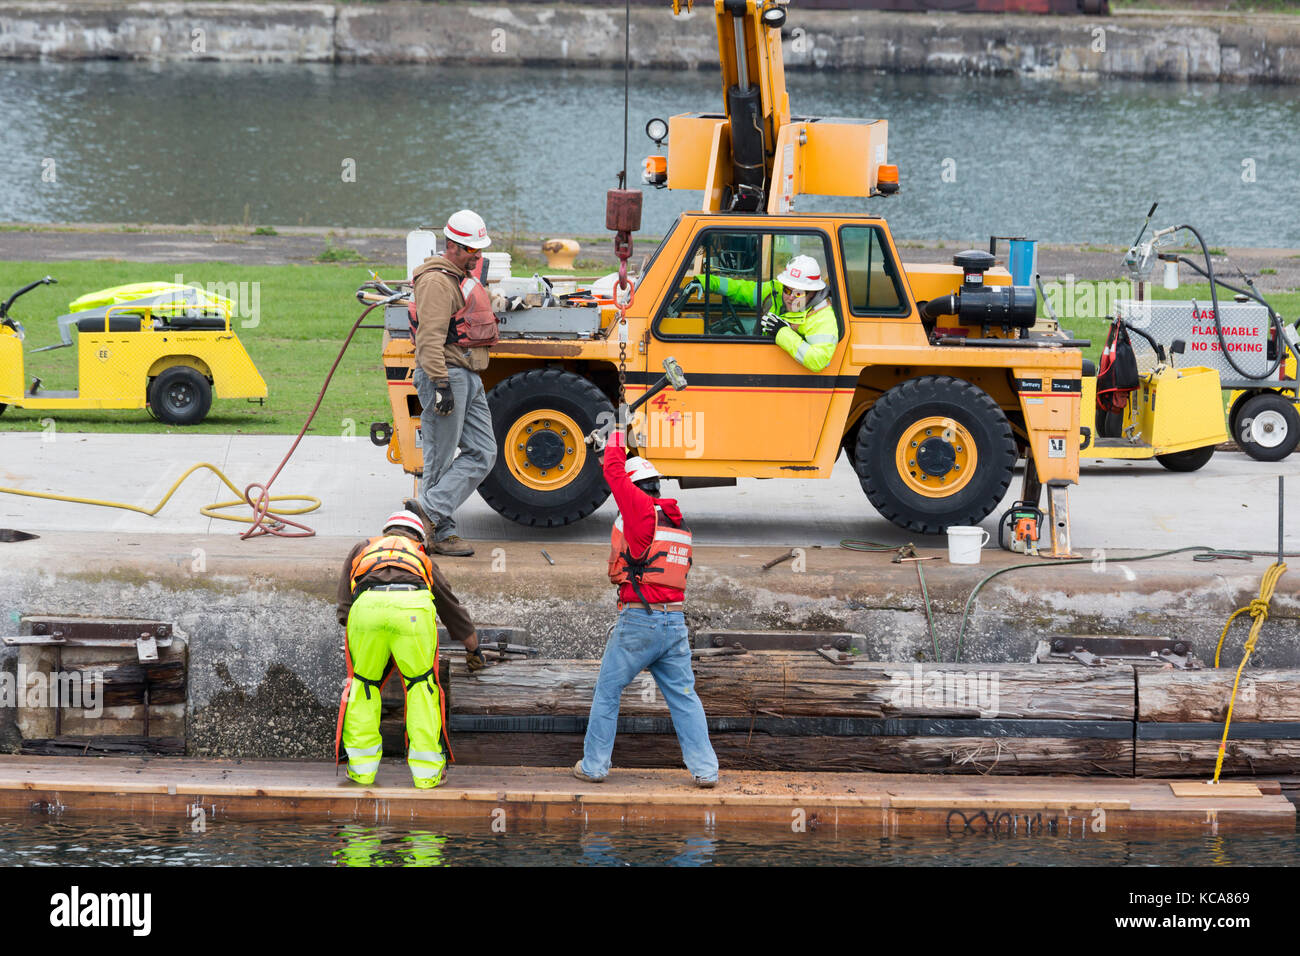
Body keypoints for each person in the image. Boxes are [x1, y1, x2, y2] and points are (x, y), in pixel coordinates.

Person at [573, 427, 719, 788]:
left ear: (638, 489)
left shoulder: (639, 511)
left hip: (640, 622)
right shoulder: (678, 523)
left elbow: (614, 472)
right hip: (675, 625)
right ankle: (706, 771)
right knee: (684, 697)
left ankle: (594, 766)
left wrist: (617, 432)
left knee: (608, 692)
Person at [335, 510, 487, 788]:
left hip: (366, 610)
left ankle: (361, 771)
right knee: (421, 687)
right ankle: (427, 774)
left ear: (387, 531)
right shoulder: (420, 556)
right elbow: (450, 608)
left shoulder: (364, 547)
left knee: (364, 686)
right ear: (418, 537)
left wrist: (367, 637)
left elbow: (345, 606)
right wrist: (473, 649)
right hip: (412, 610)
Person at [402, 209, 499, 557]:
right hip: (447, 376)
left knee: (484, 452)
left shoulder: (455, 277)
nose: (478, 256)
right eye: (473, 249)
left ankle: (427, 511)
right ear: (455, 246)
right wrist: (441, 385)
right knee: (439, 460)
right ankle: (435, 532)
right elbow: (429, 340)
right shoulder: (436, 282)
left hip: (467, 376)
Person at [695, 253, 839, 371]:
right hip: (763, 365)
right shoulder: (774, 291)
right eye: (787, 290)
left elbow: (818, 360)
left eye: (798, 293)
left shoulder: (822, 317)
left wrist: (782, 332)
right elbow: (741, 289)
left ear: (812, 293)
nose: (790, 297)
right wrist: (706, 281)